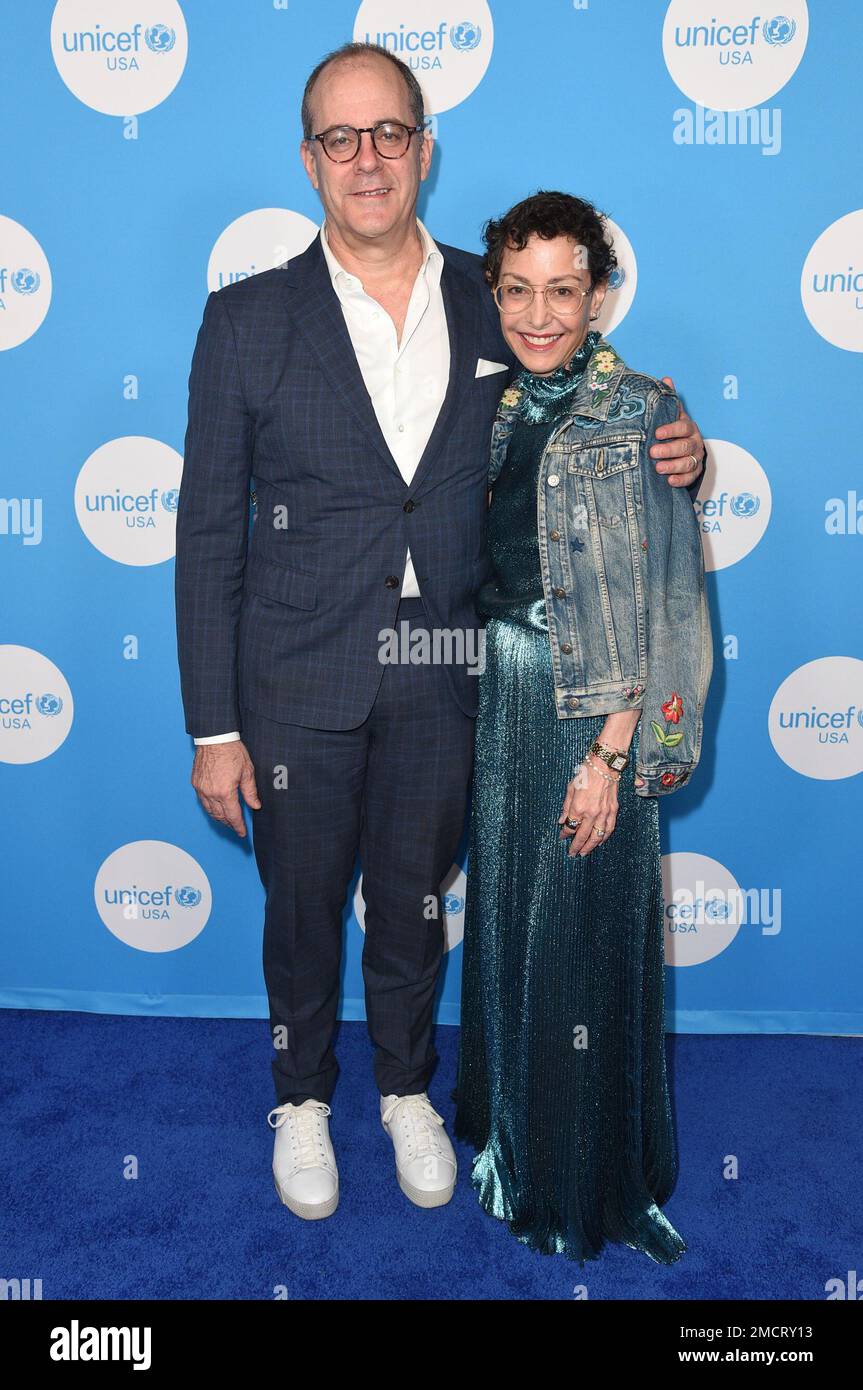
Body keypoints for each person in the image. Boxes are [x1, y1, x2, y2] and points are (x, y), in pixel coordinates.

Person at [174, 43, 707, 1223]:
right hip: (294, 680)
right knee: (301, 907)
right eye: (339, 138)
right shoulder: (245, 320)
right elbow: (208, 534)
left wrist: (680, 442)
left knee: (414, 900)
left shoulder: (492, 293)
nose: (367, 160)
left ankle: (405, 1088)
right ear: (308, 157)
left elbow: (598, 398)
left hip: (443, 673)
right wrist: (213, 725)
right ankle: (301, 1098)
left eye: (389, 134)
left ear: (424, 147)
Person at [453, 191, 712, 1265]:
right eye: (517, 289)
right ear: (493, 293)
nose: (540, 312)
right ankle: (511, 1134)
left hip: (586, 704)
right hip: (499, 689)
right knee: (514, 921)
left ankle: (581, 1174)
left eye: (563, 289)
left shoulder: (643, 411)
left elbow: (660, 596)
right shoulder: (489, 404)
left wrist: (610, 753)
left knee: (578, 933)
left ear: (598, 294)